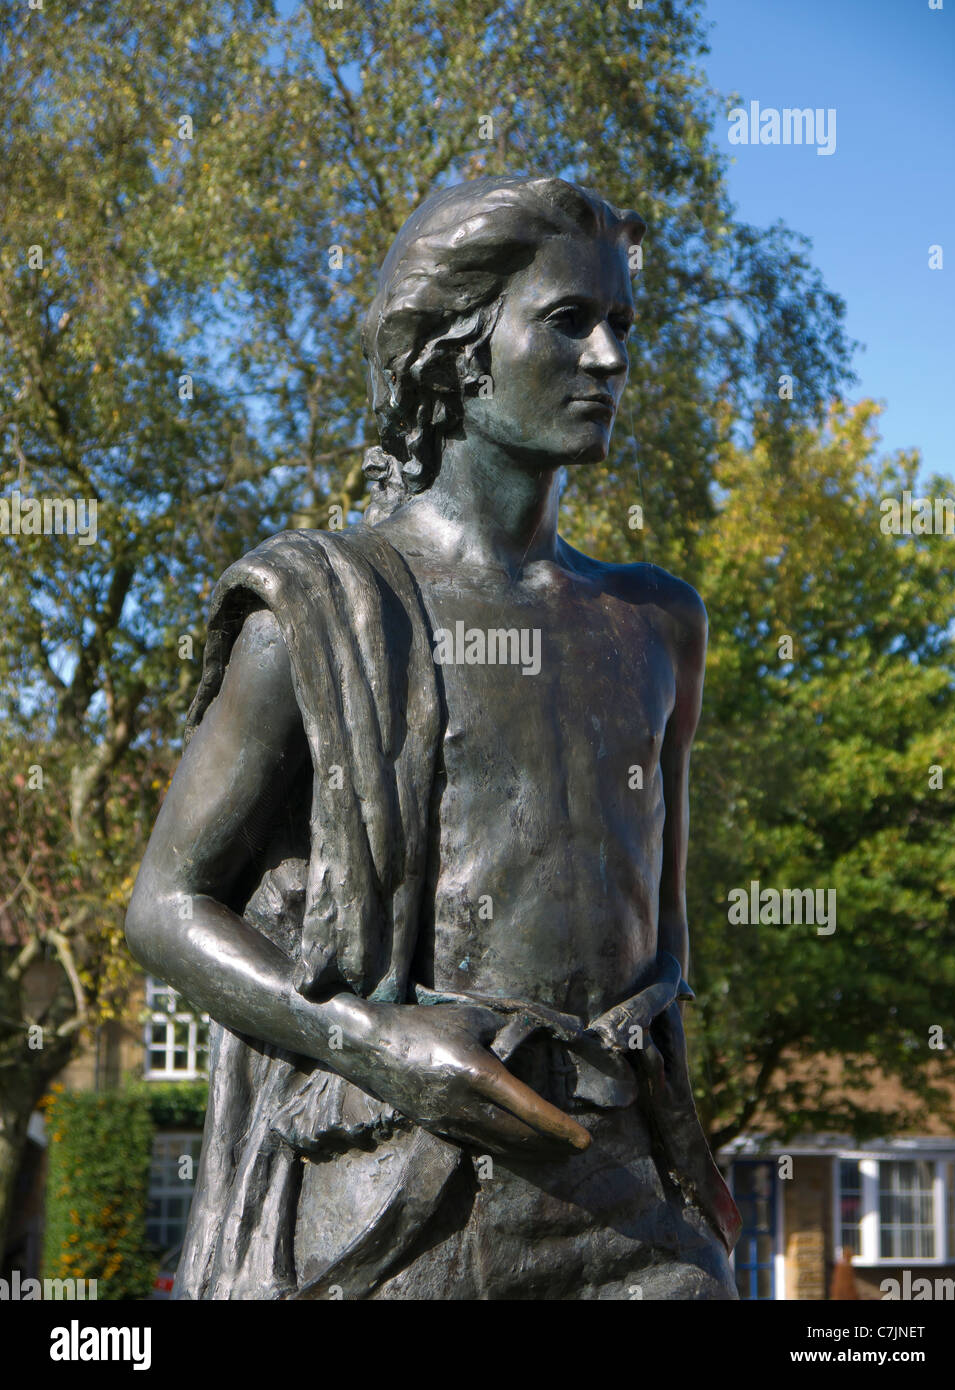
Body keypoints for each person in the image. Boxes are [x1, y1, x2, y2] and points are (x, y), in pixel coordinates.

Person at [126, 175, 740, 1300]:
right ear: (459, 353)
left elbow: (664, 929)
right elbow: (166, 906)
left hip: (626, 1206)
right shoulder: (323, 610)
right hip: (398, 1193)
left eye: (623, 326)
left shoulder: (659, 622)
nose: (610, 358)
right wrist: (378, 1045)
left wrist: (683, 1135)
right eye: (569, 322)